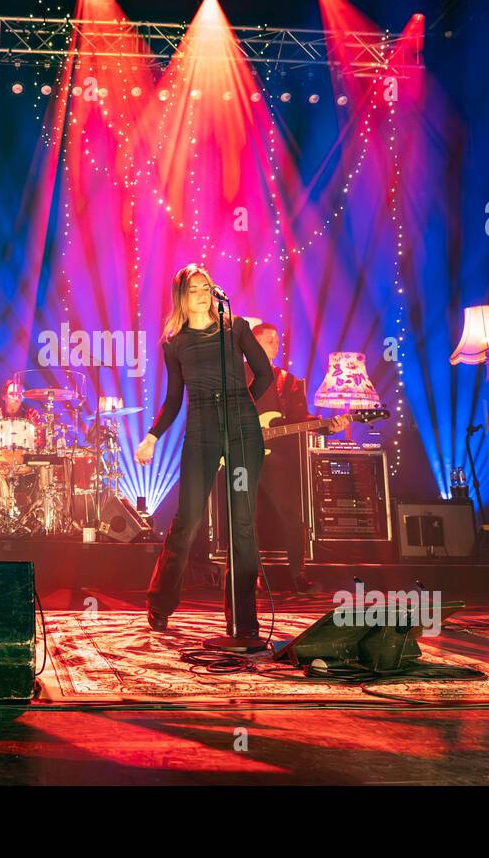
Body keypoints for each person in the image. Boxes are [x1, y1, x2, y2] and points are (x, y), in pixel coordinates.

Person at [135, 265, 273, 644]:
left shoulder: (236, 328)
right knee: (188, 519)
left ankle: (245, 622)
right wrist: (152, 436)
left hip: (242, 431)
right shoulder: (175, 343)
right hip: (202, 431)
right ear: (181, 295)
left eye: (206, 287)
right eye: (194, 288)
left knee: (242, 524)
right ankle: (161, 602)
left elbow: (265, 375)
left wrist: (243, 407)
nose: (202, 293)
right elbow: (174, 398)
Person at [248, 322, 345, 592]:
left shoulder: (286, 381)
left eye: (277, 340)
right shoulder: (237, 376)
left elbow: (299, 419)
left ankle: (298, 575)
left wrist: (327, 424)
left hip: (276, 457)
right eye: (269, 340)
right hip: (244, 454)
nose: (276, 345)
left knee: (292, 514)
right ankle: (250, 576)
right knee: (246, 517)